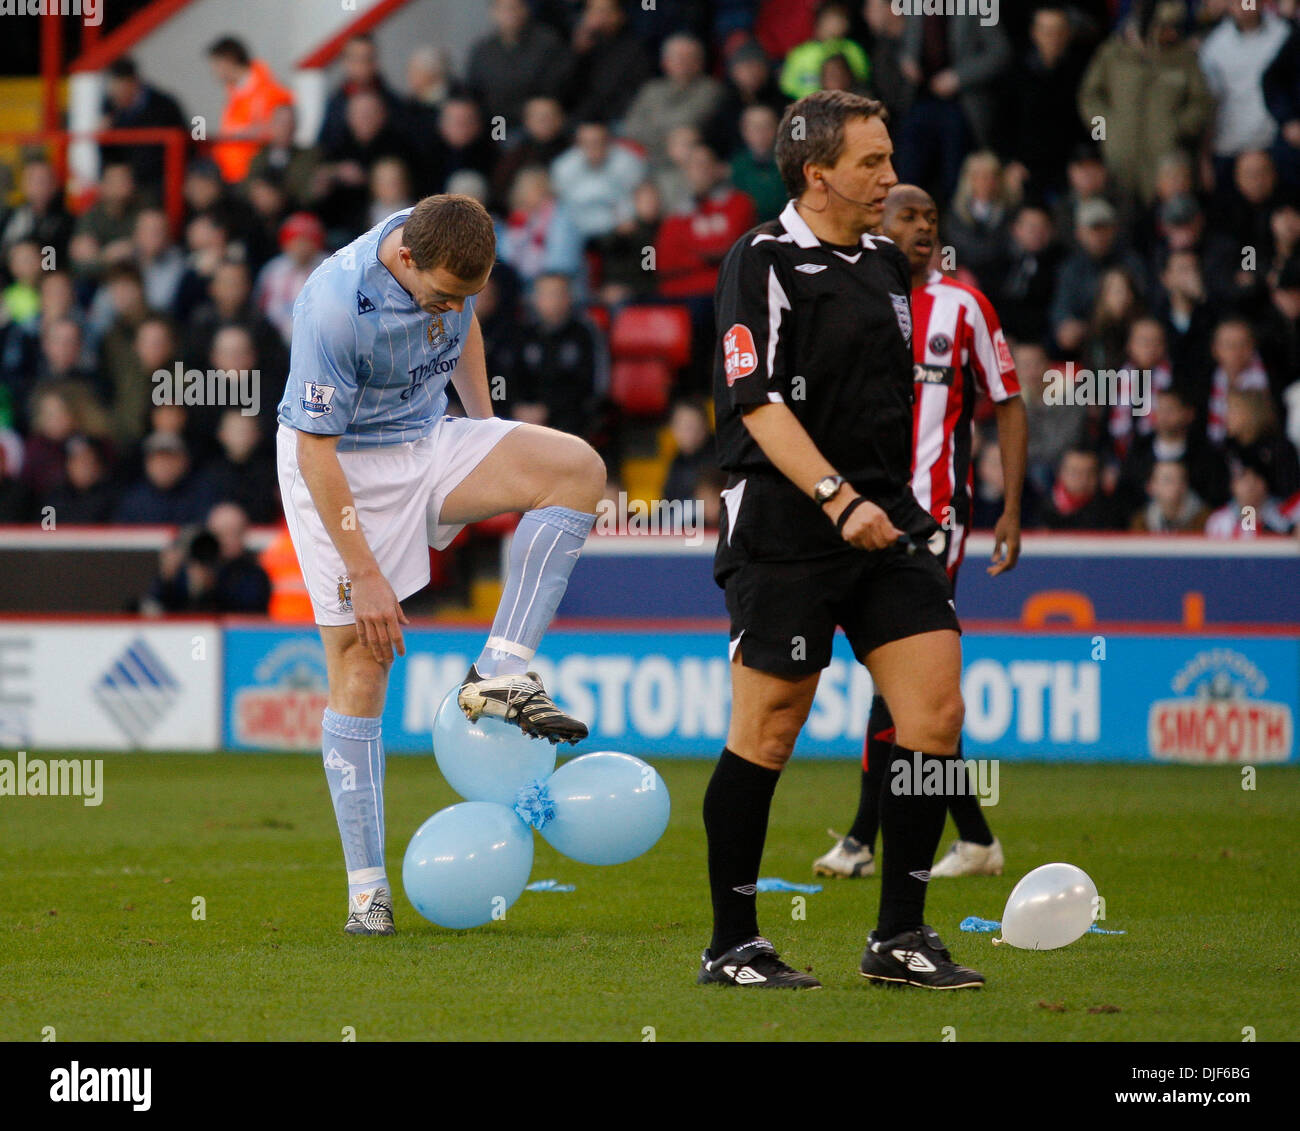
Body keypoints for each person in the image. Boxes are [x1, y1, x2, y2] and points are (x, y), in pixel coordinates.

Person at [699, 90, 982, 991]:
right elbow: (756, 400)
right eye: (871, 163)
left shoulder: (886, 266)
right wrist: (831, 494)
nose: (891, 177)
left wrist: (891, 506)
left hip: (884, 522)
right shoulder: (761, 259)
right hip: (788, 527)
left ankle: (901, 933)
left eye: (890, 157)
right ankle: (732, 943)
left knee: (934, 716)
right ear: (817, 175)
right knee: (769, 728)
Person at [276, 194, 605, 936]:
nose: (453, 306)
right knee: (364, 668)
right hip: (339, 470)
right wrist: (364, 571)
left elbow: (463, 323)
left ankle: (498, 671)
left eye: (468, 293)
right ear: (403, 260)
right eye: (443, 292)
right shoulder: (334, 304)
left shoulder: (443, 250)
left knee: (577, 470)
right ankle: (368, 892)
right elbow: (313, 450)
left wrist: (483, 425)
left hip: (427, 438)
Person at [814, 184, 1026, 884]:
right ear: (878, 220)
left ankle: (861, 838)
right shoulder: (858, 296)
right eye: (909, 215)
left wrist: (1012, 508)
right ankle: (975, 836)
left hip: (934, 520)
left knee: (902, 672)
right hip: (859, 511)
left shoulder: (963, 306)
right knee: (908, 684)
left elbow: (1010, 401)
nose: (924, 228)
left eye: (932, 218)